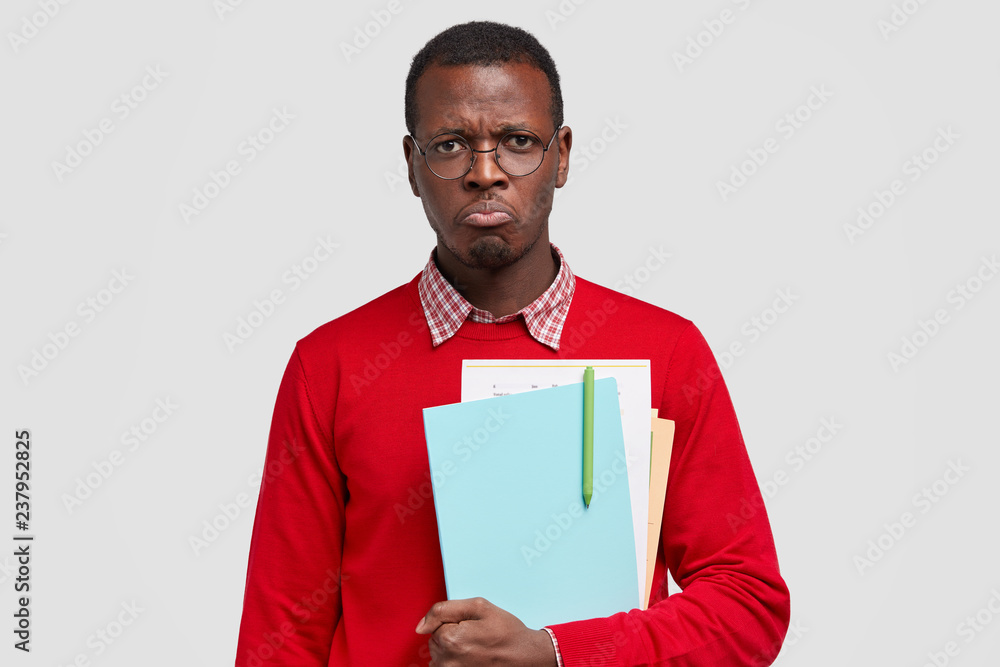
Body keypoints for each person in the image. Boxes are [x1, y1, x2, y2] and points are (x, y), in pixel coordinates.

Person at [236, 21, 790, 666]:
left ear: (561, 156)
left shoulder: (666, 351)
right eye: (450, 145)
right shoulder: (329, 365)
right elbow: (280, 635)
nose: (485, 173)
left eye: (517, 141)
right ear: (413, 167)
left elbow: (747, 604)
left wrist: (556, 654)